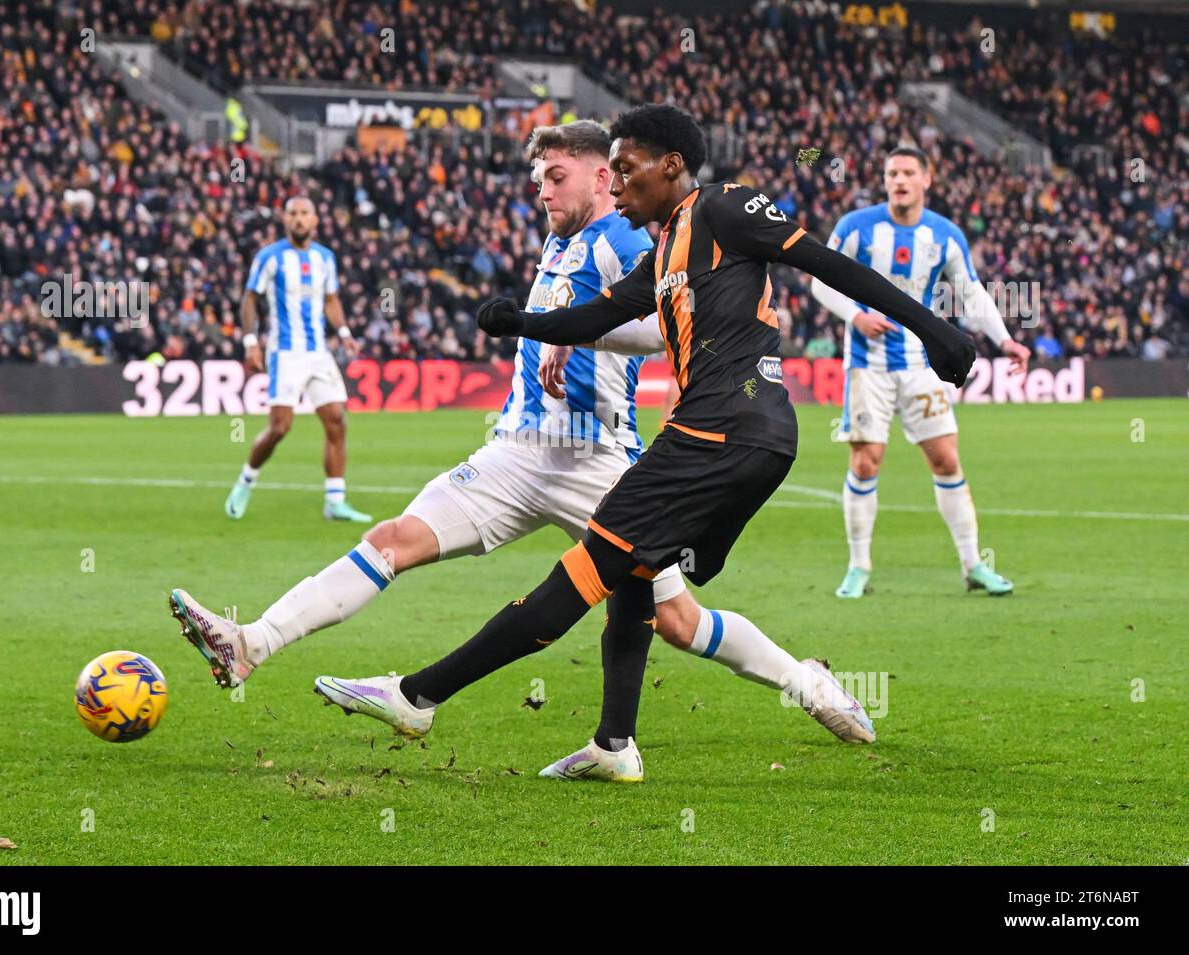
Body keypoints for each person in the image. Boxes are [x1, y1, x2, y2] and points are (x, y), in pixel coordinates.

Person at [307, 105, 975, 782]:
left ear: (672, 166)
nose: (616, 185)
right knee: (633, 573)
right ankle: (613, 744)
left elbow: (829, 265)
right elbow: (599, 314)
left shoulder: (726, 208)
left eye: (625, 169)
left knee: (583, 571)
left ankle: (418, 694)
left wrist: (934, 332)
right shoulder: (666, 250)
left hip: (721, 430)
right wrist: (524, 322)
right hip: (739, 438)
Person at [171, 121, 874, 750]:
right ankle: (249, 643)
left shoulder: (631, 236)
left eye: (556, 177)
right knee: (393, 539)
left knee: (679, 621)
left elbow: (669, 329)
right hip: (515, 450)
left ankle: (804, 683)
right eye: (538, 179)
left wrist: (593, 328)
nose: (542, 191)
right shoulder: (559, 239)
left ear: (603, 176)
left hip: (597, 461)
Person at [809, 148, 1029, 598]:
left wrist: (1004, 339)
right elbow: (819, 280)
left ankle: (973, 565)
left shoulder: (944, 235)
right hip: (868, 364)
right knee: (866, 461)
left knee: (946, 458)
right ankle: (858, 566)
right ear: (884, 179)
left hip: (921, 364)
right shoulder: (856, 227)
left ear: (927, 178)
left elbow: (970, 293)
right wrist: (856, 317)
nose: (900, 180)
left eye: (909, 172)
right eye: (892, 173)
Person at [224, 195, 370, 523]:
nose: (299, 219)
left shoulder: (325, 259)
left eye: (305, 213)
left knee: (336, 420)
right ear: (284, 219)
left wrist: (344, 332)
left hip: (318, 351)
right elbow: (250, 298)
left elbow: (331, 299)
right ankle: (246, 480)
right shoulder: (270, 257)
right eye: (293, 214)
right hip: (285, 351)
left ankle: (335, 501)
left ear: (315, 219)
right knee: (280, 428)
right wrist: (250, 342)